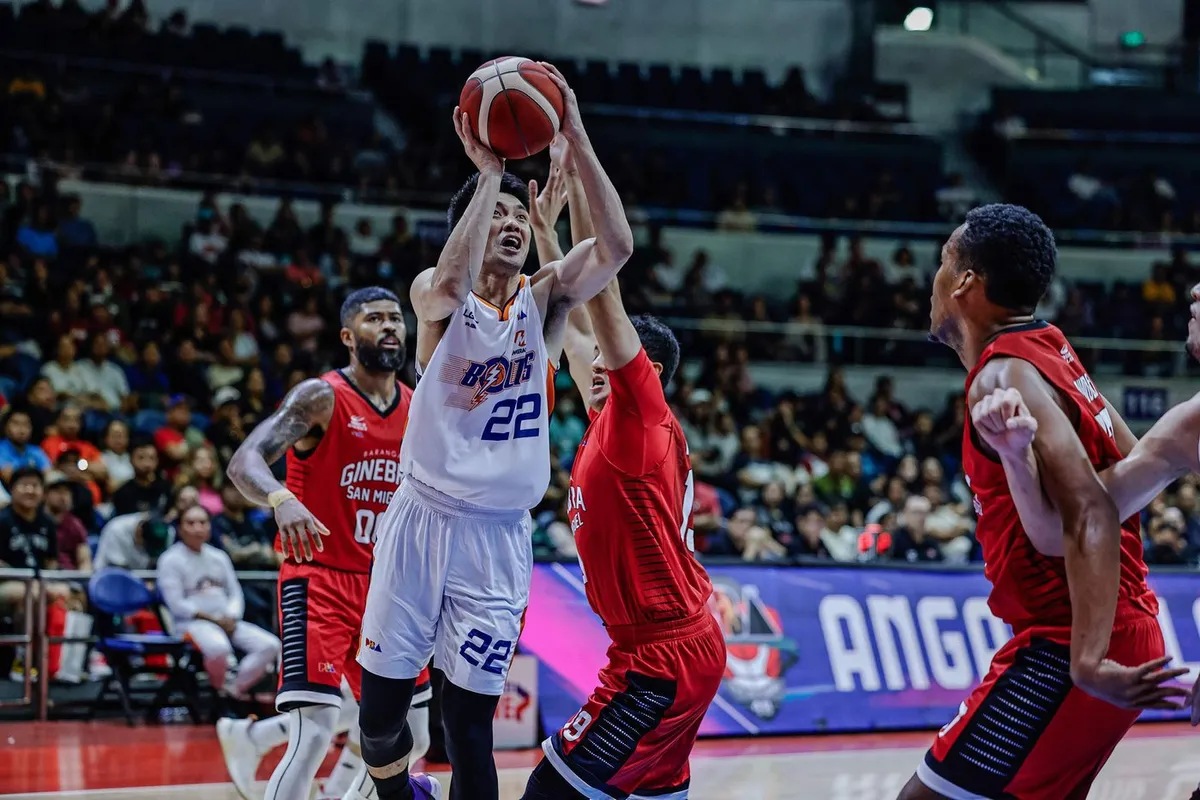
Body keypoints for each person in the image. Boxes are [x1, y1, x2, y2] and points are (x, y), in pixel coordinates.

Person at [356, 64, 633, 800]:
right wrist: (489, 174)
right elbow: (446, 285)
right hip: (420, 523)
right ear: (474, 229)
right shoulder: (435, 297)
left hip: (497, 541)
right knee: (379, 721)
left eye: (521, 214)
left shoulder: (542, 308)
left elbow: (614, 250)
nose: (513, 223)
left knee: (467, 724)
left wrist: (575, 132)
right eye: (499, 216)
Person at [898, 203, 1187, 800]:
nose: (935, 278)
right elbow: (1128, 472)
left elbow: (1093, 509)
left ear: (965, 283)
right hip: (1118, 624)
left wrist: (1086, 659)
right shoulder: (1051, 347)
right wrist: (1027, 471)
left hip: (1066, 643)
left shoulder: (1003, 375)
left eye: (942, 262)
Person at [519, 149, 725, 800]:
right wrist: (546, 239)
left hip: (659, 657)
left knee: (549, 790)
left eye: (613, 355)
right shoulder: (607, 408)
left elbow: (604, 287)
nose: (594, 363)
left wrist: (579, 154)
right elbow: (579, 321)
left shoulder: (642, 416)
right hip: (668, 645)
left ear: (647, 372)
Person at [221, 287, 425, 800]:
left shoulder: (418, 407)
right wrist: (280, 497)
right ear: (347, 336)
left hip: (388, 589)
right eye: (374, 318)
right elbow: (244, 461)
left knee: (413, 735)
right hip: (320, 581)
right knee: (313, 731)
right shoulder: (322, 396)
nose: (390, 327)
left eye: (395, 318)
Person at [156, 505, 281, 701]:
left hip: (226, 620)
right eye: (191, 523)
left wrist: (231, 616)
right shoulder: (170, 560)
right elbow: (176, 604)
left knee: (270, 645)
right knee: (219, 648)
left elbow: (235, 593)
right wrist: (214, 619)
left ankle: (232, 690)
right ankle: (219, 689)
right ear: (180, 528)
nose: (198, 528)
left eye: (202, 523)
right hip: (192, 624)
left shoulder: (219, 557)